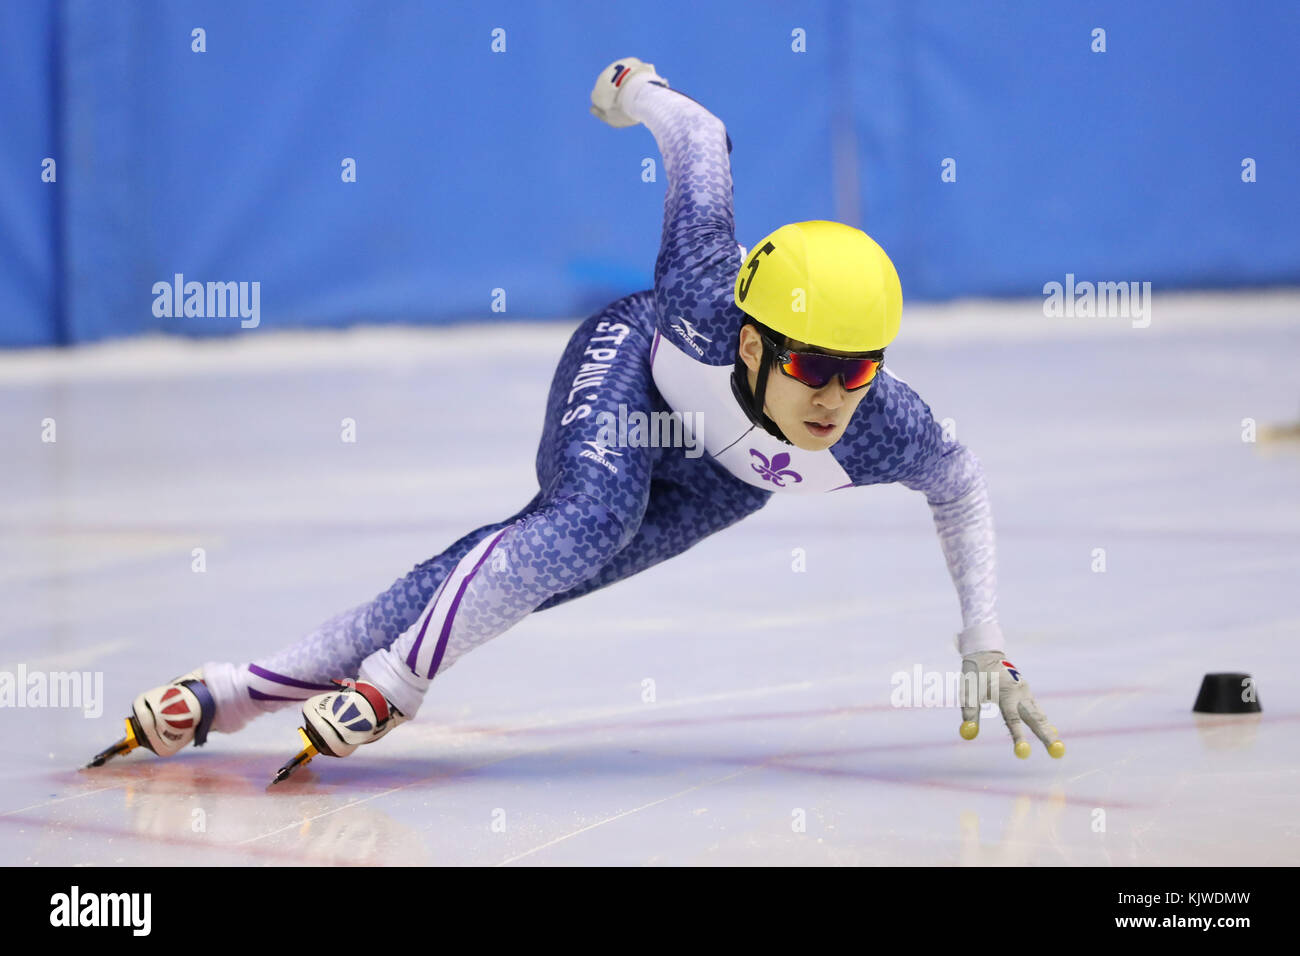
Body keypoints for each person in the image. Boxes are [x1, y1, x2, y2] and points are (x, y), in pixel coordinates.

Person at [88, 58, 1063, 783]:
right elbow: (699, 135)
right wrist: (630, 89)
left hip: (718, 481)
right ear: (756, 345)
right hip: (630, 375)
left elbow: (960, 481)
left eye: (860, 372)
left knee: (528, 575)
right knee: (582, 520)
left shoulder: (879, 424)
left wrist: (983, 635)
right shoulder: (701, 293)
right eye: (814, 366)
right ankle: (395, 687)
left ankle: (235, 689)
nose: (835, 397)